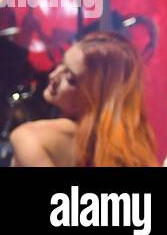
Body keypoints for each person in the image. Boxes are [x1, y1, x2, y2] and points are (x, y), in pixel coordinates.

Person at [9, 31, 158, 166]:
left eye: (70, 79)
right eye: (61, 64)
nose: (53, 76)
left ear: (97, 96)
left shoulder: (31, 138)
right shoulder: (132, 148)